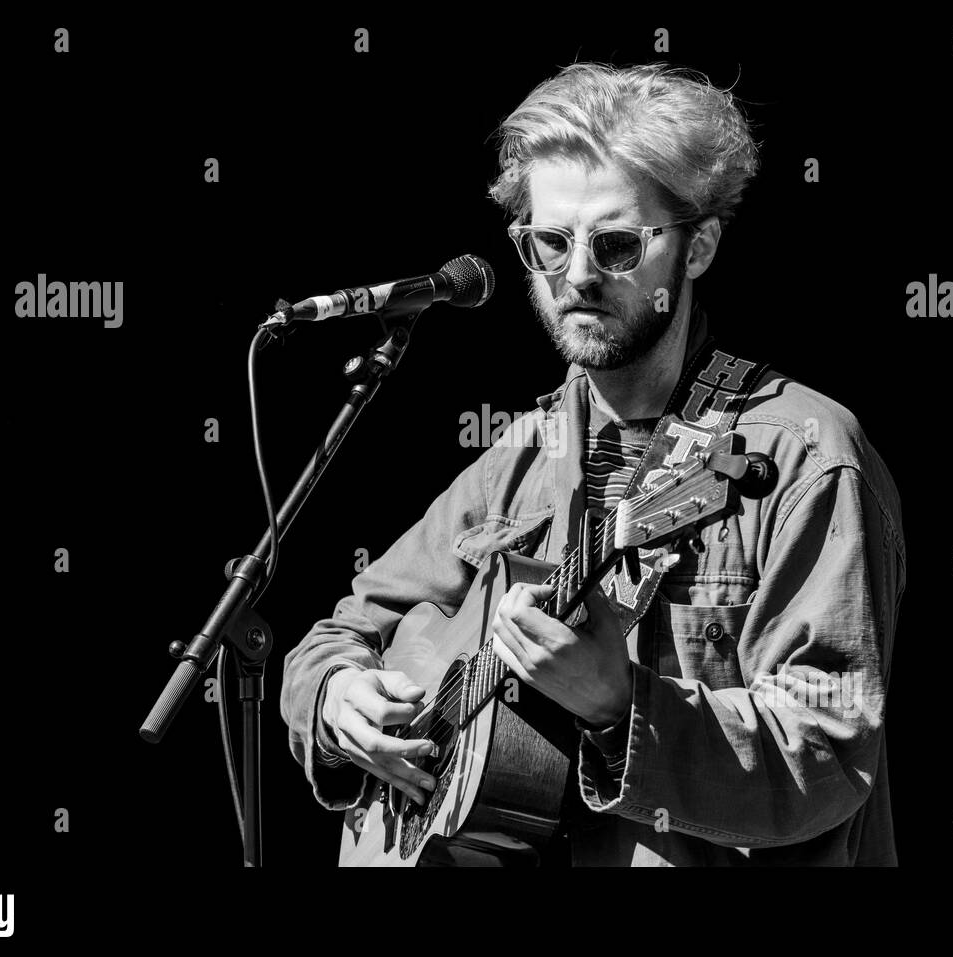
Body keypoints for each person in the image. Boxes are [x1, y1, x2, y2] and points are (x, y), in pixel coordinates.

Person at [280, 61, 906, 866]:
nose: (576, 275)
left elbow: (828, 750)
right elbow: (337, 634)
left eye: (616, 244)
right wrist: (337, 700)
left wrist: (623, 707)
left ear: (699, 245)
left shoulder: (806, 456)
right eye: (550, 242)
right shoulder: (526, 453)